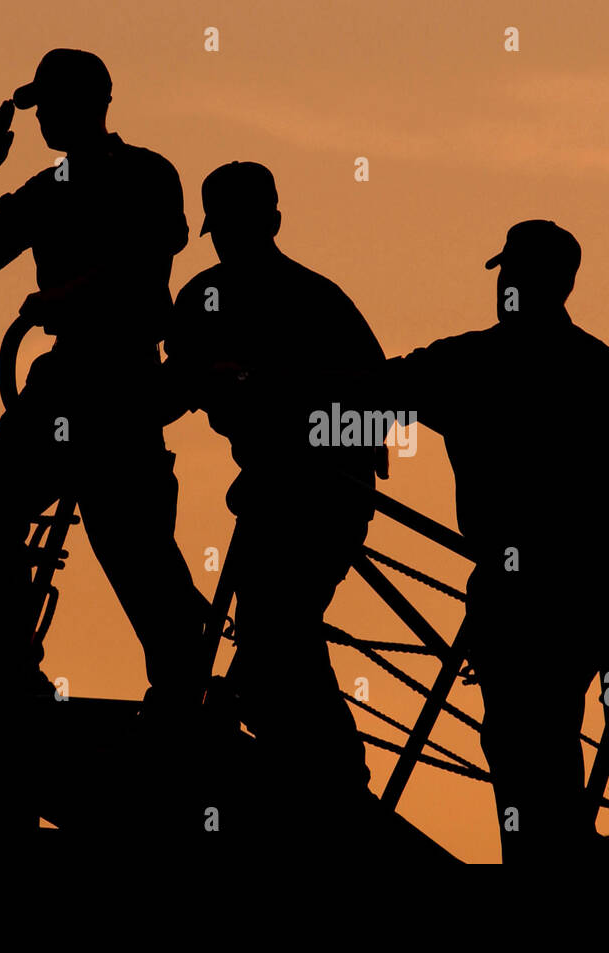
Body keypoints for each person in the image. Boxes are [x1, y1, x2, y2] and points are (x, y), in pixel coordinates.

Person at [373, 220, 609, 862]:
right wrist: (591, 482)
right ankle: (557, 856)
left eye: (513, 273)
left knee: (518, 735)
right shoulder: (595, 366)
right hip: (590, 587)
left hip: (524, 588)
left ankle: (545, 867)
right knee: (548, 730)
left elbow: (377, 387)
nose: (506, 284)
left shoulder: (474, 362)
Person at [0, 49, 208, 707]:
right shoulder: (46, 188)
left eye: (52, 105)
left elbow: (146, 262)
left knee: (133, 547)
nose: (42, 120)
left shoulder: (147, 174)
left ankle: (184, 691)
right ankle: (12, 673)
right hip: (65, 385)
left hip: (121, 384)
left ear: (91, 102)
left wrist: (68, 295)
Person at [163, 162, 386, 816]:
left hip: (316, 493)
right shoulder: (297, 298)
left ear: (271, 225)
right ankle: (313, 765)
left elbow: (372, 405)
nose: (229, 242)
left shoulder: (309, 302)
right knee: (272, 632)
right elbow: (176, 388)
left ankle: (335, 777)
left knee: (275, 628)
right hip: (292, 493)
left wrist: (265, 392)